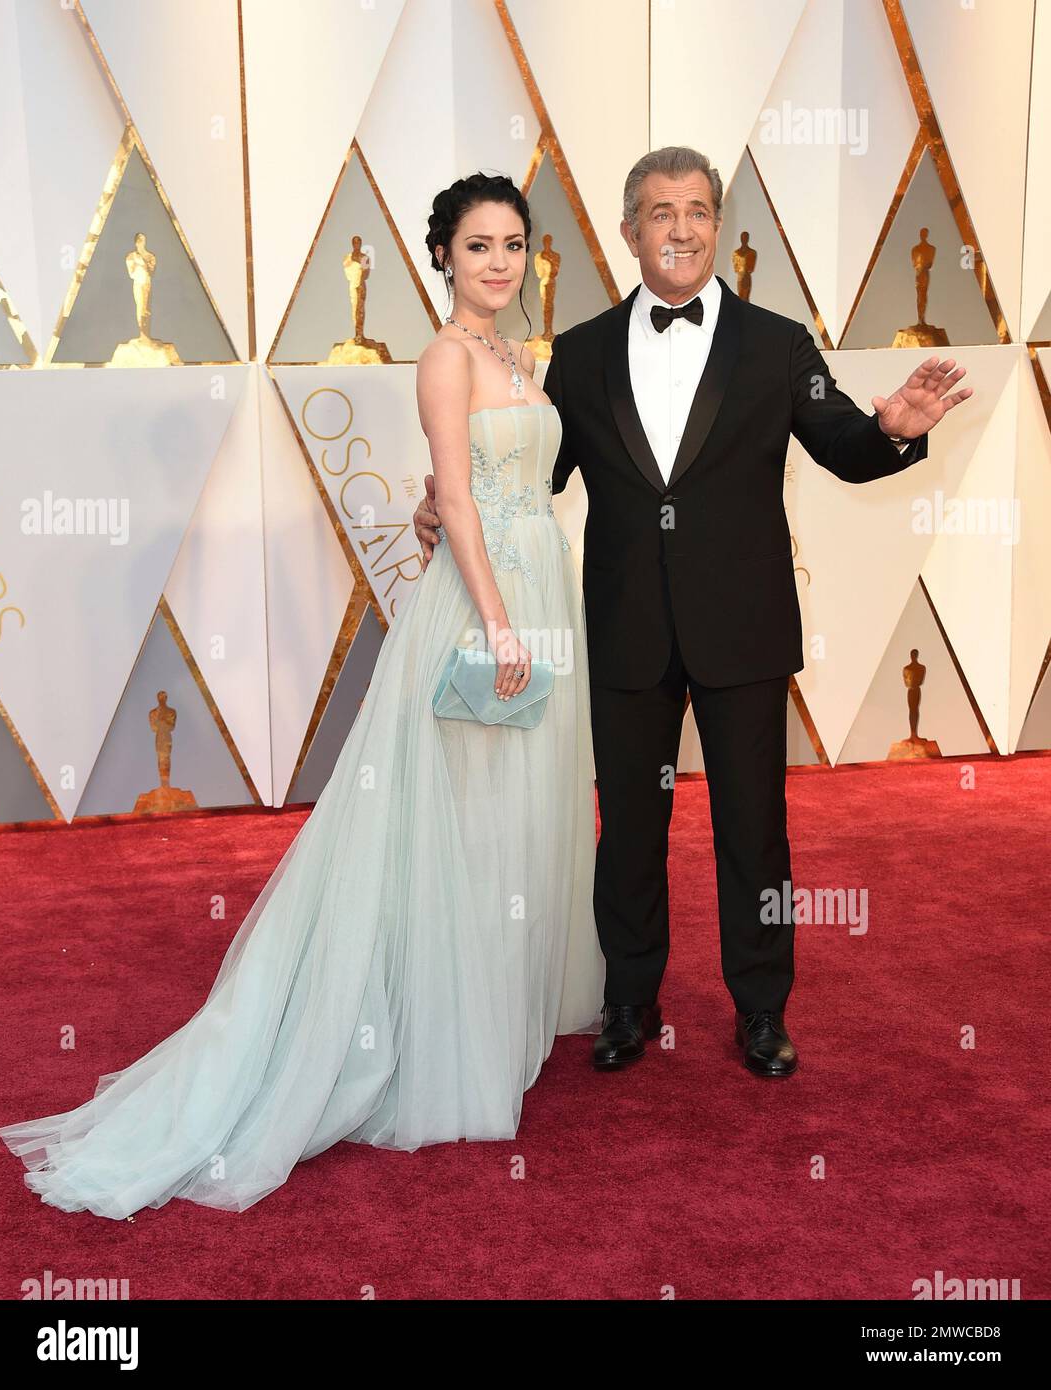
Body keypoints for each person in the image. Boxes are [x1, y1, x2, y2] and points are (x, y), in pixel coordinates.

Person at [0, 172, 604, 1220]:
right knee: (457, 811)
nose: (498, 263)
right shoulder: (444, 357)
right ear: (443, 260)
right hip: (484, 604)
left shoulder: (520, 356)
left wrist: (448, 531)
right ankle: (432, 1030)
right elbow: (458, 495)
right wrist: (497, 619)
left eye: (512, 244)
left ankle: (501, 1007)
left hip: (541, 578)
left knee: (522, 805)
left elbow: (461, 490)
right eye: (477, 247)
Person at [415, 146, 973, 1078]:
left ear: (718, 227)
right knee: (627, 824)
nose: (681, 228)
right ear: (630, 231)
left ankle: (763, 1009)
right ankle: (626, 1000)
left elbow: (840, 442)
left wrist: (892, 431)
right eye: (661, 212)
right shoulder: (582, 352)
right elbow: (528, 473)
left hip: (745, 629)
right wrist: (440, 500)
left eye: (699, 211)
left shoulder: (777, 342)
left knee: (755, 828)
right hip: (623, 627)